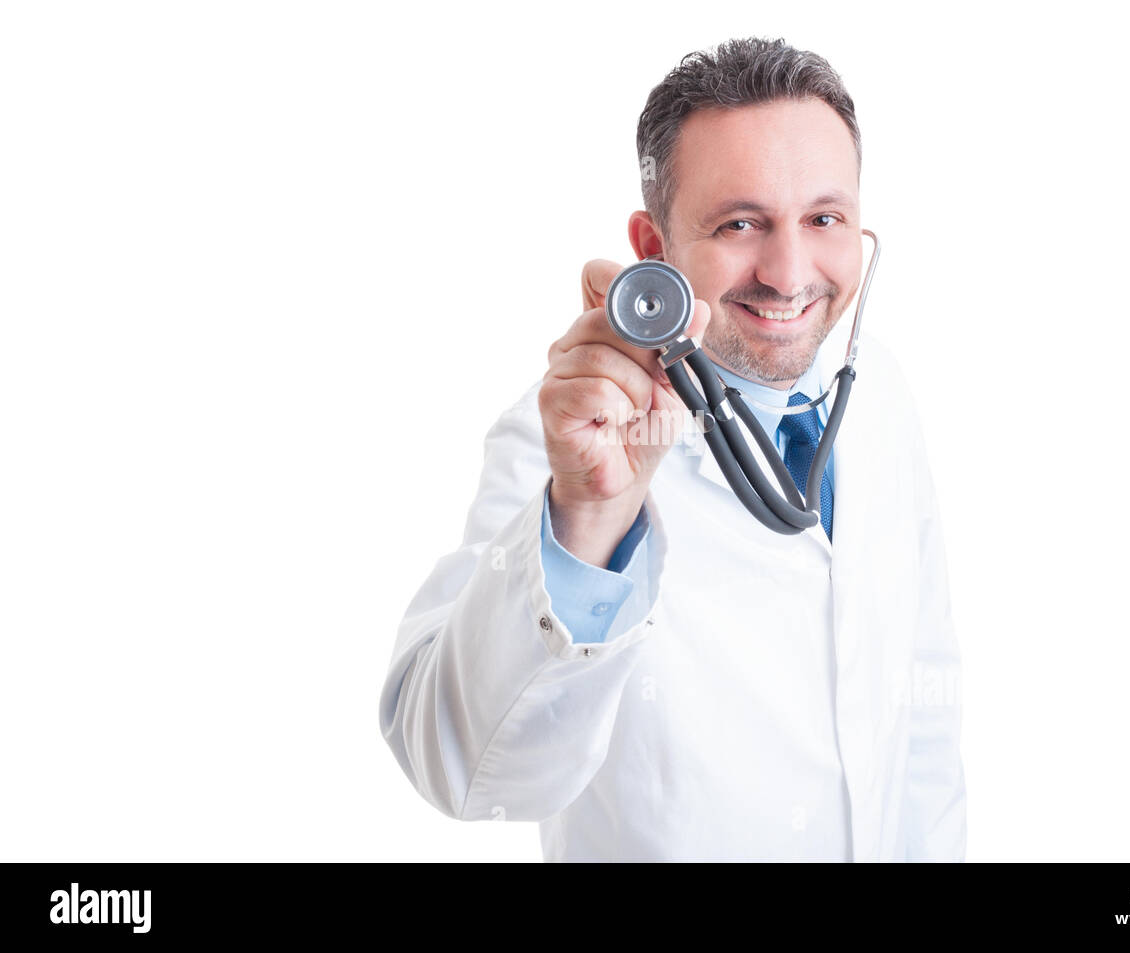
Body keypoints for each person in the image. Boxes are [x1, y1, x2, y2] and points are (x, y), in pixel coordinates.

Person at [377, 36, 966, 862]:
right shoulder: (569, 443)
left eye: (824, 218)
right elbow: (459, 765)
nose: (790, 270)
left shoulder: (882, 398)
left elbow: (926, 731)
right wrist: (588, 519)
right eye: (741, 223)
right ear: (652, 249)